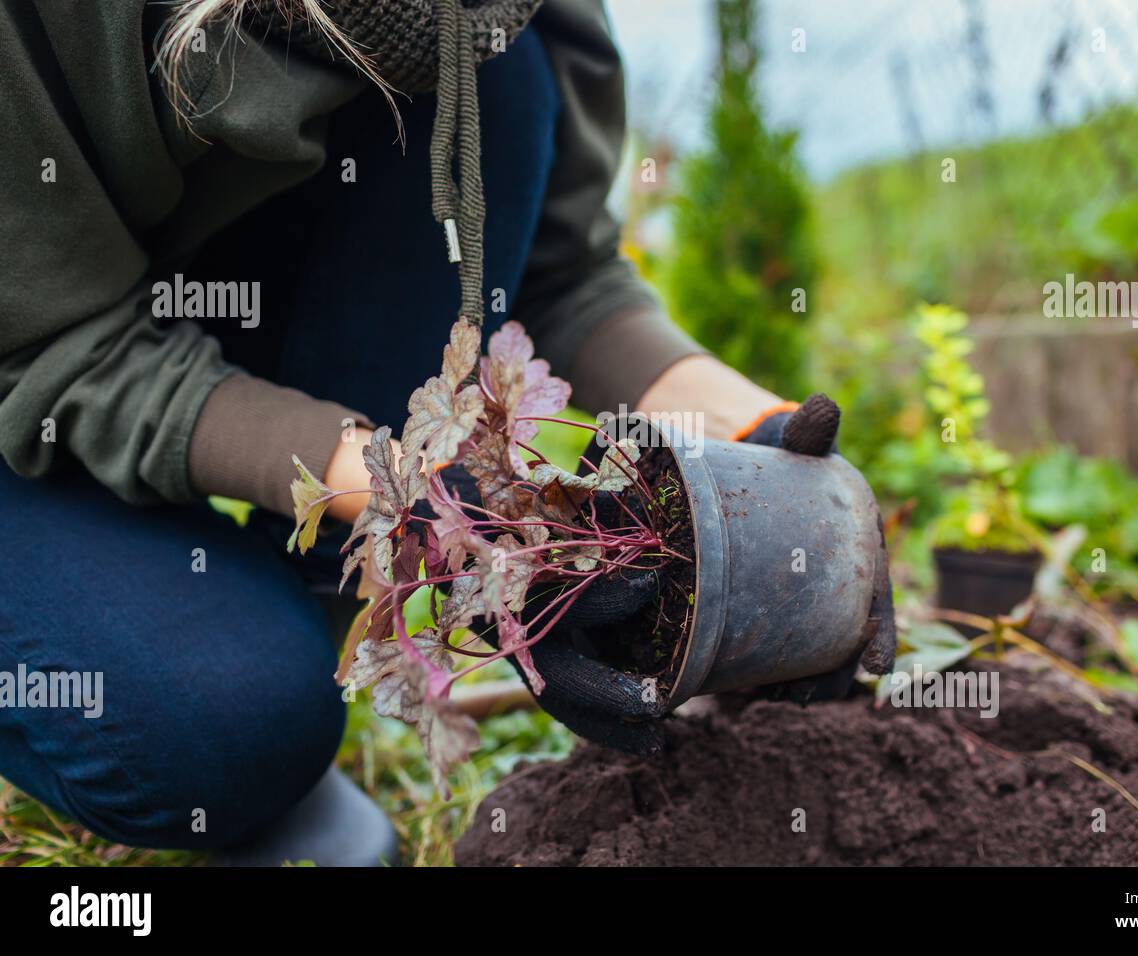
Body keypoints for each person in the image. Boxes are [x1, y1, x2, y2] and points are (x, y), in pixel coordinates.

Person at [0, 0, 887, 865]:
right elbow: (60, 344)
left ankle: (289, 609)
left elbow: (564, 276)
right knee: (212, 725)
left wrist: (759, 430)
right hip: (31, 346)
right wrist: (424, 502)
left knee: (508, 78)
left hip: (171, 310)